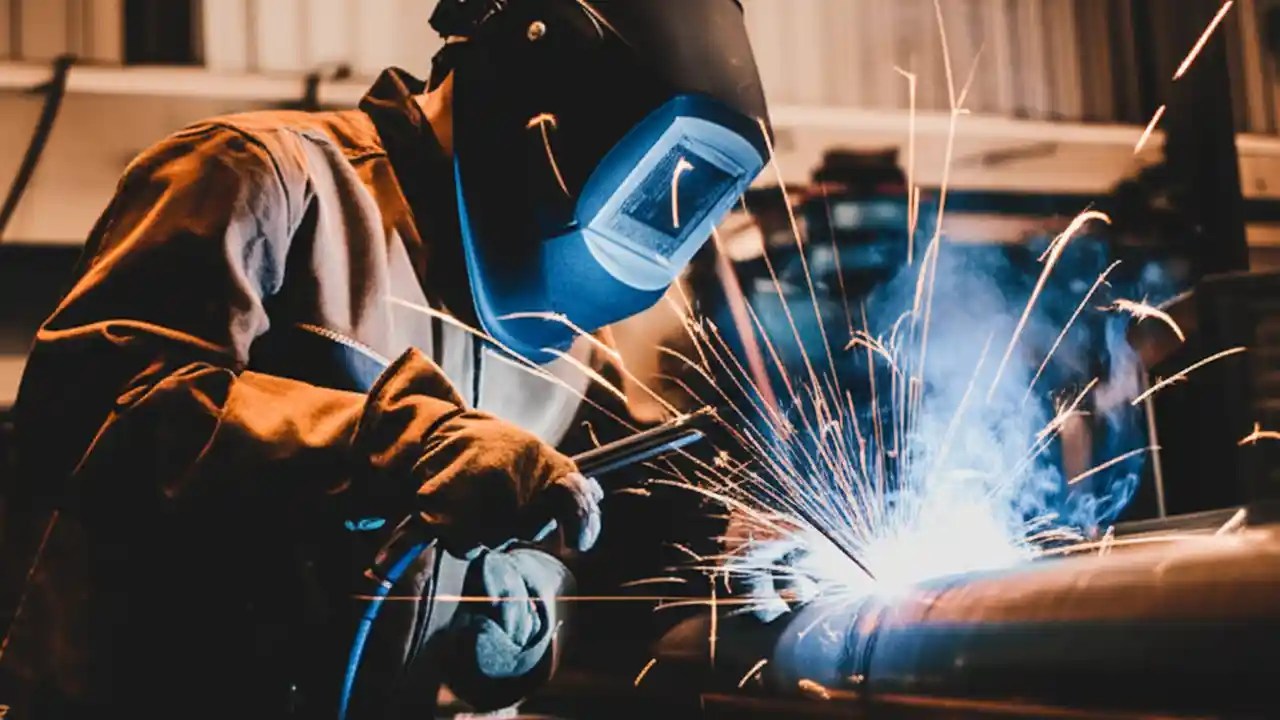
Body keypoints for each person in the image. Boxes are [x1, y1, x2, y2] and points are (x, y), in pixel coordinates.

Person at [0, 0, 771, 717]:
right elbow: (112, 421)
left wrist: (564, 602)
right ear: (541, 73)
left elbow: (597, 530)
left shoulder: (560, 325)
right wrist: (400, 444)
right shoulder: (265, 179)